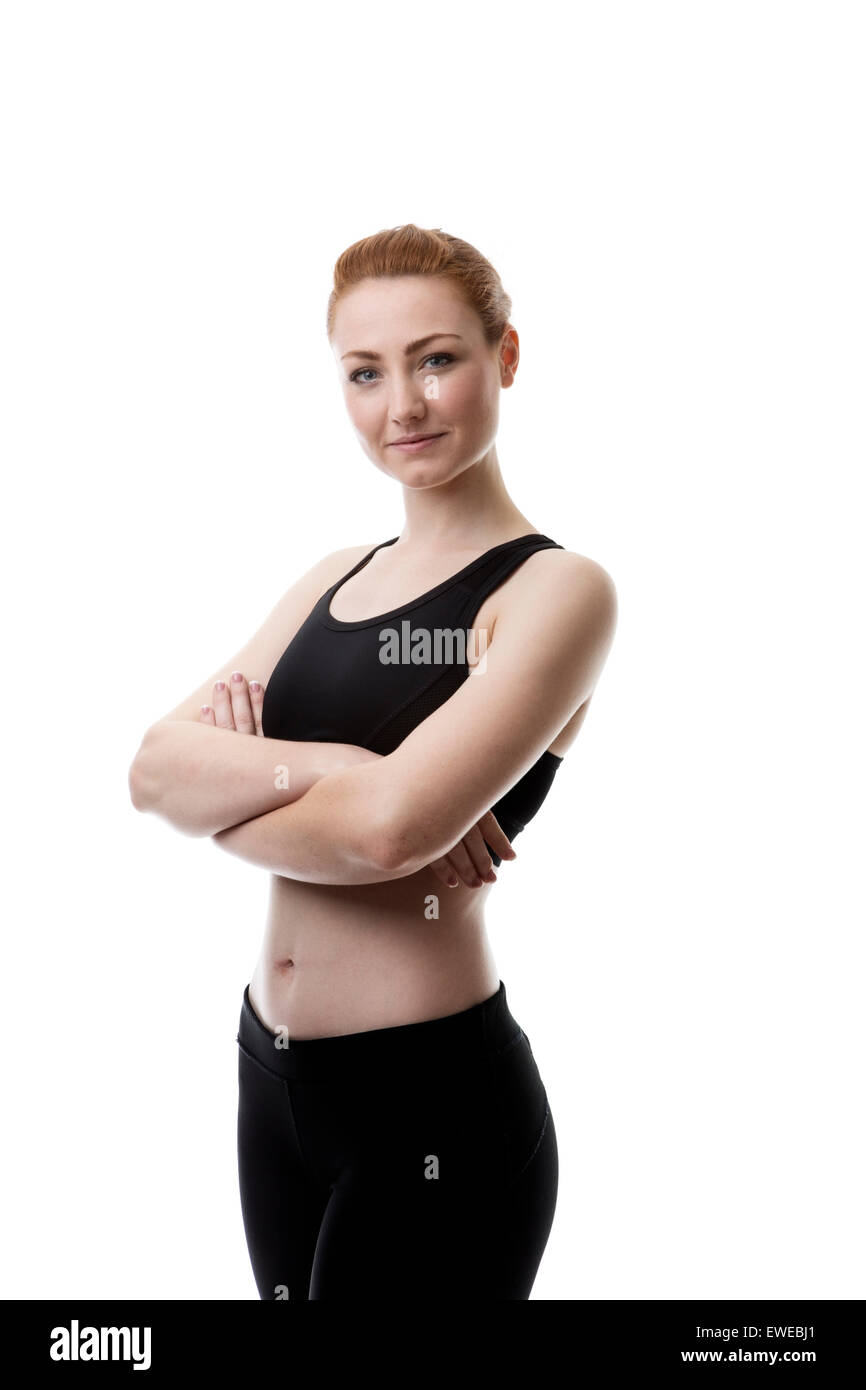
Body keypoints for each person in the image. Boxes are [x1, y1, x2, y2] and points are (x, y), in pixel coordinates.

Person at [128, 222, 617, 1300]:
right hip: (272, 1077)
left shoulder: (554, 591)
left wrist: (245, 792)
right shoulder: (330, 577)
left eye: (435, 358)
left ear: (506, 356)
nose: (401, 403)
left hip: (431, 1104)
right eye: (365, 371)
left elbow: (388, 832)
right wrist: (348, 762)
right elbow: (155, 768)